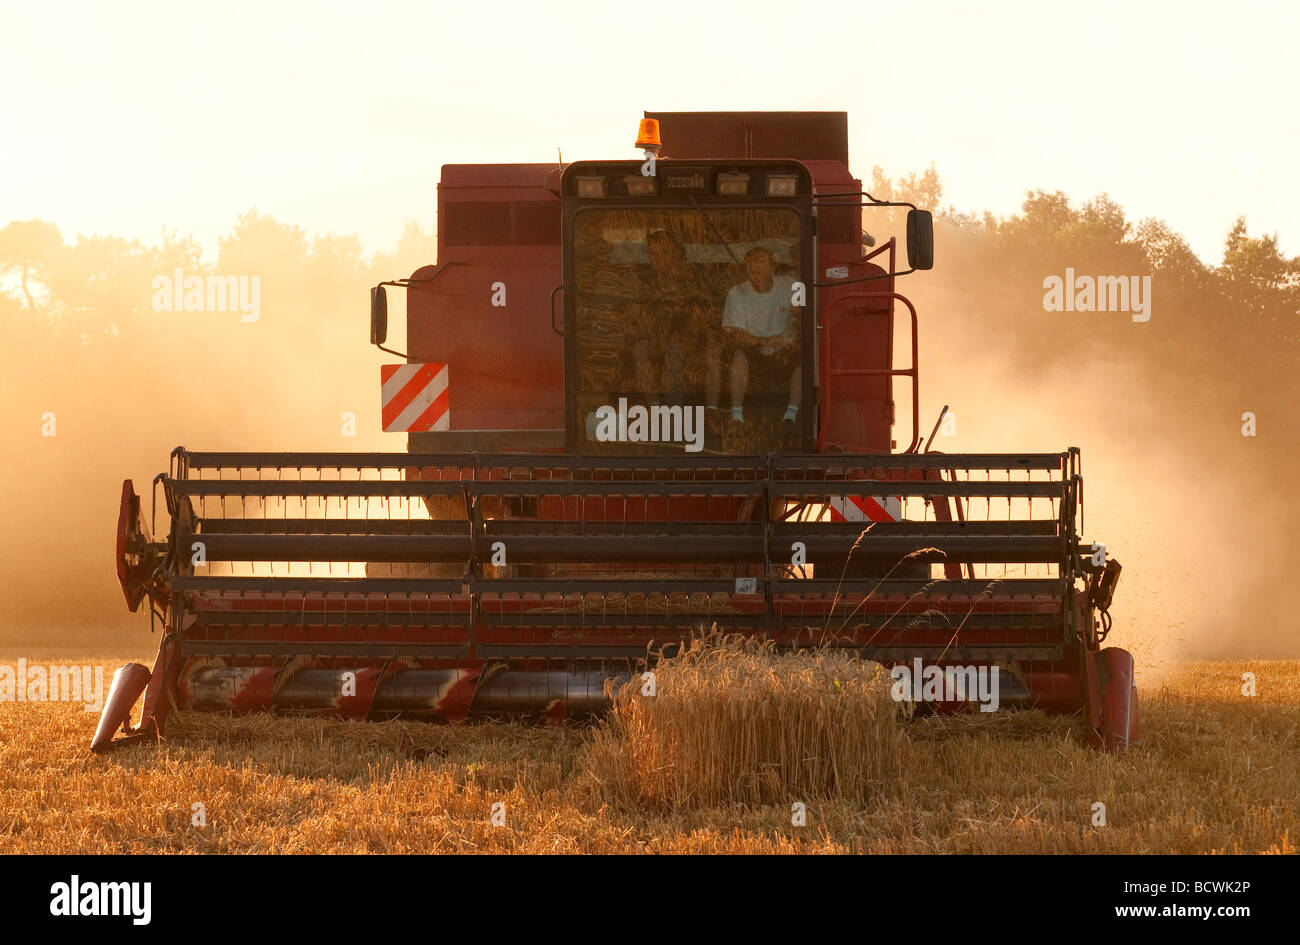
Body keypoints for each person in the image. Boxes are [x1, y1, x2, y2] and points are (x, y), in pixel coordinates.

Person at [632, 230, 721, 407]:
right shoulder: (648, 281)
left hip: (692, 339)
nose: (656, 259)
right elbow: (641, 315)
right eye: (652, 254)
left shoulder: (694, 277)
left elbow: (705, 312)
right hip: (658, 338)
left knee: (678, 348)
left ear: (675, 253)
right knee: (640, 349)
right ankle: (654, 408)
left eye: (663, 253)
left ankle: (705, 410)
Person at [721, 246, 801, 432]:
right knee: (739, 357)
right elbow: (736, 334)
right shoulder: (736, 293)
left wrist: (789, 332)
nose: (754, 275)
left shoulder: (793, 286)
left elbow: (806, 319)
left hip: (785, 350)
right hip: (754, 350)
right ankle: (736, 416)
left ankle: (791, 415)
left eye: (759, 270)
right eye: (750, 270)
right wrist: (763, 342)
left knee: (803, 363)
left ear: (772, 268)